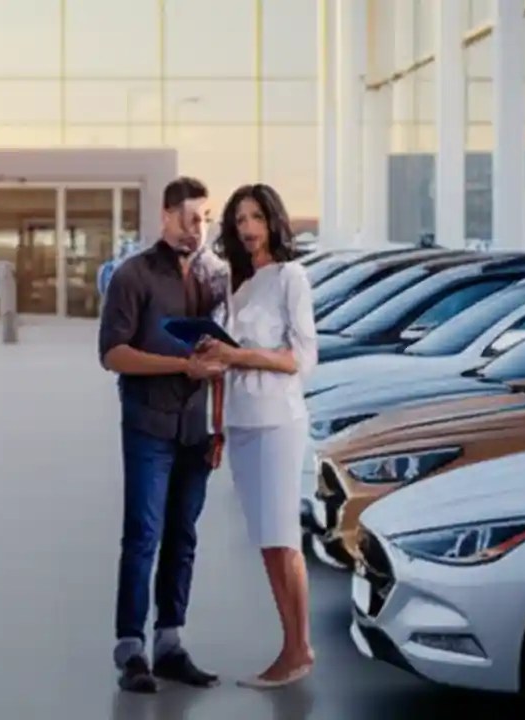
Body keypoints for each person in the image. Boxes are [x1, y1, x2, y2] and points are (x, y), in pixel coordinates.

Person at [97, 176, 230, 694]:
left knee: (183, 538)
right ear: (166, 217)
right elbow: (113, 354)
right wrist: (180, 365)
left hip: (197, 430)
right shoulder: (133, 276)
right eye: (190, 218)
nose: (198, 229)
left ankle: (170, 644)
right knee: (144, 536)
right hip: (148, 425)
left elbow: (220, 356)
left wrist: (218, 426)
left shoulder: (212, 280)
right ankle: (131, 649)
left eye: (205, 220)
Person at [195, 183, 318, 688]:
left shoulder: (291, 276)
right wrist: (217, 425)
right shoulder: (236, 286)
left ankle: (299, 649)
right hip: (242, 424)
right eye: (239, 219)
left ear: (273, 221)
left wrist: (237, 356)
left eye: (255, 218)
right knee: (267, 542)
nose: (247, 229)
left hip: (278, 422)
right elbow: (224, 361)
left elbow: (301, 359)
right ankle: (290, 646)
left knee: (284, 538)